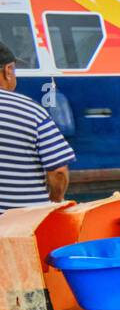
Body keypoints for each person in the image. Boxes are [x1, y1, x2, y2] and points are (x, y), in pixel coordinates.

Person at [0, 41, 75, 217]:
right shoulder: (30, 111)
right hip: (26, 223)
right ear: (8, 70)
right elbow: (58, 171)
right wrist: (56, 201)